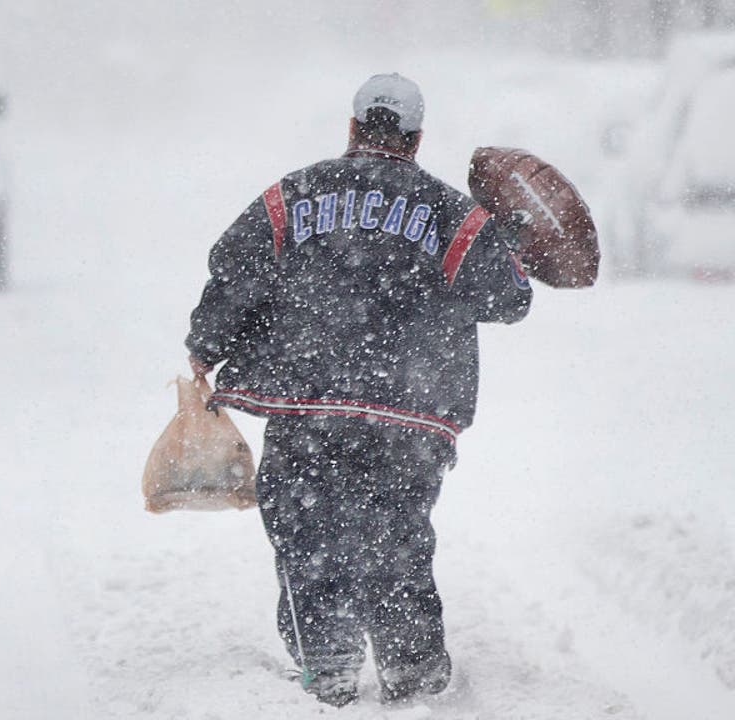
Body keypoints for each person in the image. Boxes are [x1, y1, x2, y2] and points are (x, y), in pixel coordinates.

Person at [185, 73, 533, 707]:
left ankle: (328, 655)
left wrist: (207, 344)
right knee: (396, 530)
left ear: (352, 128)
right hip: (410, 411)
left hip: (307, 403)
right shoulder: (453, 214)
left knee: (305, 530)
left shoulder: (292, 196)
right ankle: (412, 663)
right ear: (417, 137)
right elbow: (508, 300)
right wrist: (504, 236)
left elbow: (237, 266)